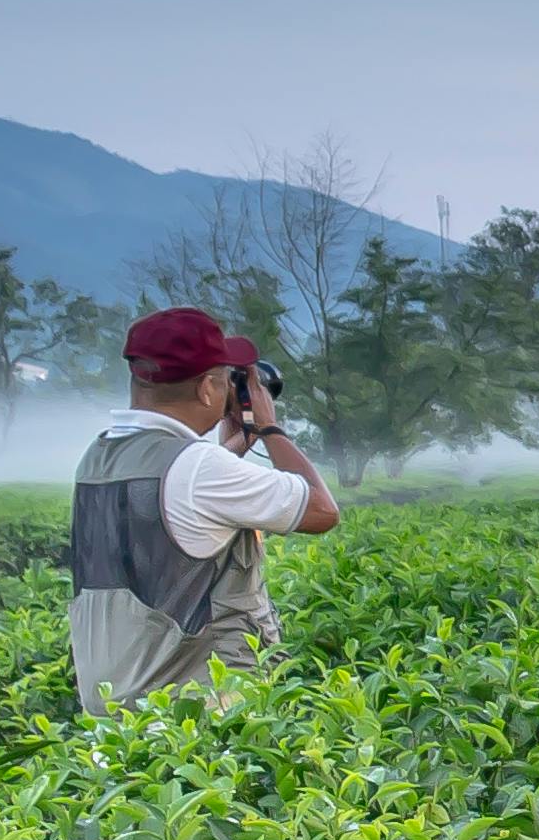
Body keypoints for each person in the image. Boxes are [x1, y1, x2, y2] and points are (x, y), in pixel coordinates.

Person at [69, 304, 339, 710]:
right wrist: (269, 427)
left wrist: (234, 447)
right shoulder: (199, 468)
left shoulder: (98, 456)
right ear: (206, 389)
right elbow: (322, 511)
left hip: (117, 707)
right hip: (197, 711)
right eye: (228, 378)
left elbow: (176, 500)